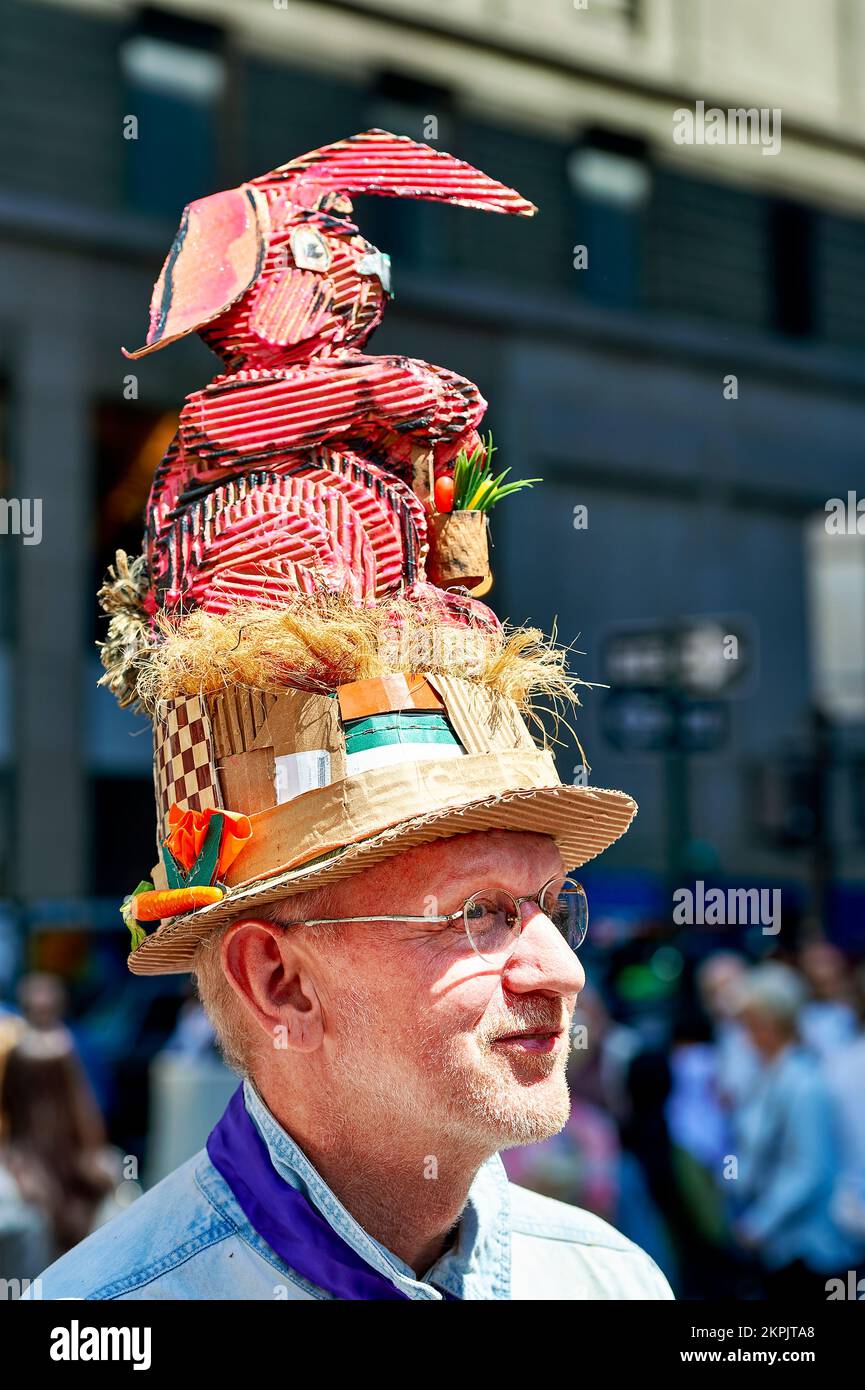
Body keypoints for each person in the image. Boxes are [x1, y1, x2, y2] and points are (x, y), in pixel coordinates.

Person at [28, 130, 671, 1301]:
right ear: (277, 982)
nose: (563, 966)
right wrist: (377, 392)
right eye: (479, 913)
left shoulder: (615, 1282)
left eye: (546, 901)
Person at [727, 962, 861, 1298]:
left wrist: (759, 1222)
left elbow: (811, 1169)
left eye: (750, 1025)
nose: (746, 1036)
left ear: (770, 1024)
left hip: (809, 1251)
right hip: (781, 1247)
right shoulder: (770, 1075)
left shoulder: (805, 1083)